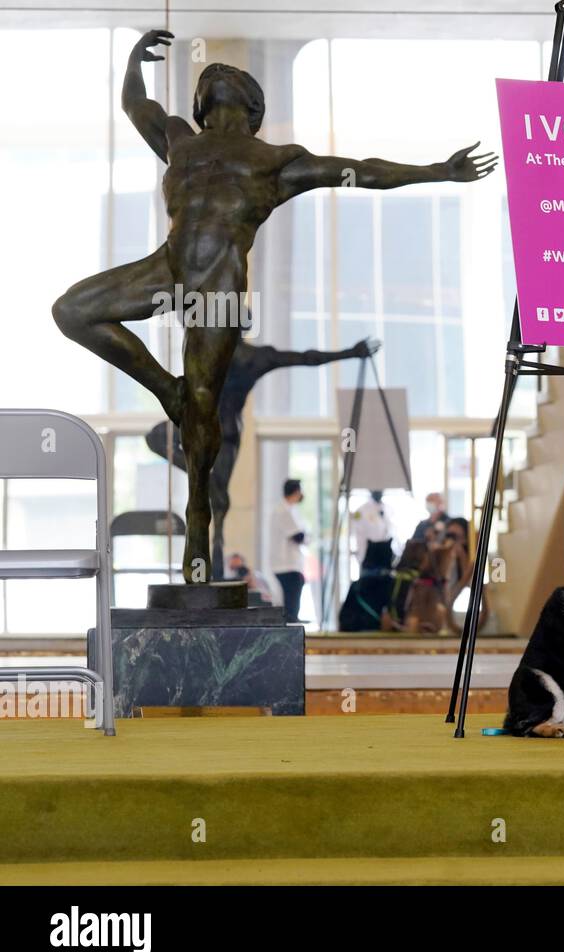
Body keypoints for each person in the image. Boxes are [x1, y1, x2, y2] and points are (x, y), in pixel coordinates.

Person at [51, 29, 495, 579]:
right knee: (71, 310)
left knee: (205, 403)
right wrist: (134, 61)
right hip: (165, 268)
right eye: (211, 76)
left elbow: (361, 170)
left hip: (218, 287)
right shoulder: (178, 140)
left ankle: (198, 516)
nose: (218, 73)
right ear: (201, 105)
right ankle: (168, 390)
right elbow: (135, 104)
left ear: (253, 105)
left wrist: (437, 171)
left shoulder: (277, 161)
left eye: (231, 75)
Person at [145, 337, 380, 578]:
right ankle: (204, 479)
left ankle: (215, 545)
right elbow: (308, 358)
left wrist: (350, 353)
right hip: (207, 423)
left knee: (219, 501)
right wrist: (351, 352)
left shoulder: (243, 355)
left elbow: (306, 358)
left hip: (222, 429)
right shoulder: (240, 353)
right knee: (160, 441)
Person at [270, 479, 308, 623]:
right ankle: (292, 622)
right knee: (291, 595)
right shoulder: (283, 510)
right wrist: (306, 537)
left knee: (295, 591)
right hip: (285, 564)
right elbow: (299, 536)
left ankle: (293, 619)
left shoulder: (291, 509)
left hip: (291, 563)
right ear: (296, 492)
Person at [351, 490, 394, 560]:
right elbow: (355, 529)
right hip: (367, 554)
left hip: (385, 554)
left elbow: (391, 531)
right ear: (371, 491)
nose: (379, 492)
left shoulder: (388, 509)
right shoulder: (361, 510)